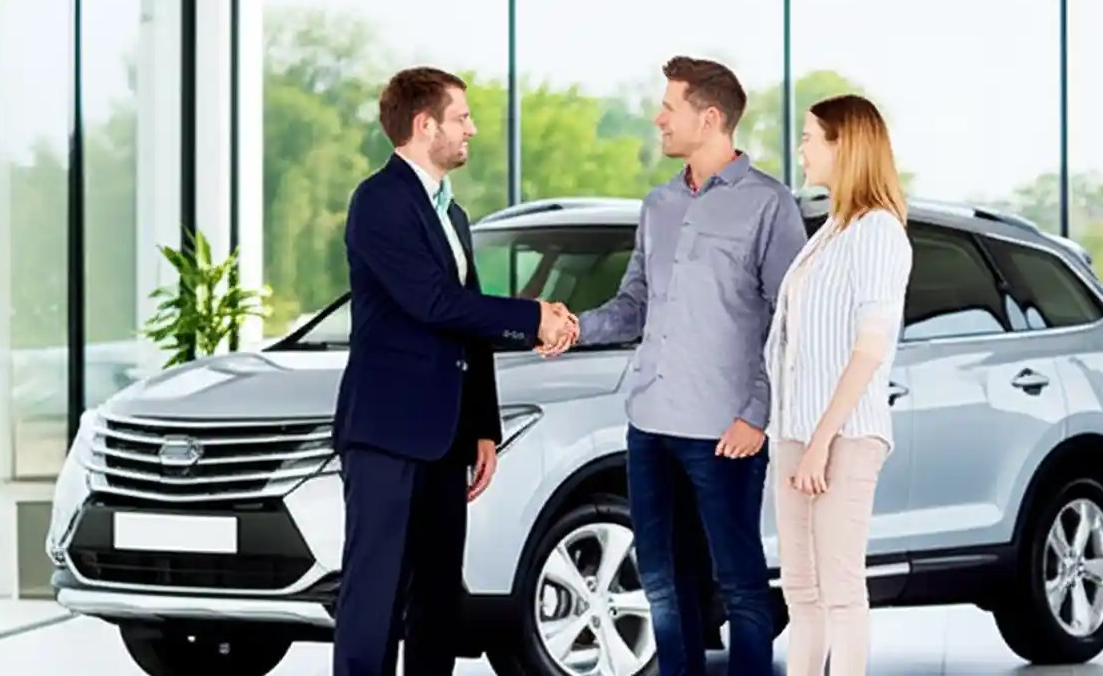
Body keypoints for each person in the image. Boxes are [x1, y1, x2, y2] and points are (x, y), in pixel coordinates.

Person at [542, 56, 808, 675]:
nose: (658, 118)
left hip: (725, 432)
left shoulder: (769, 206)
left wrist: (756, 415)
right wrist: (576, 329)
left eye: (670, 107)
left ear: (710, 117)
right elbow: (635, 304)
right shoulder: (658, 205)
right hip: (651, 424)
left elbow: (788, 323)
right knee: (662, 582)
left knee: (739, 584)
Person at [332, 66, 576, 676]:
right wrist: (535, 315)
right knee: (375, 597)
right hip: (387, 434)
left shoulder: (454, 214)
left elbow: (465, 325)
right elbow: (432, 303)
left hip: (444, 436)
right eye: (461, 117)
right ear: (424, 125)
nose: (472, 129)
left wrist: (483, 425)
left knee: (439, 597)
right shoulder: (380, 201)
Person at [765, 94, 913, 676]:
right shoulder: (828, 231)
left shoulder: (877, 232)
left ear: (843, 146)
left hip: (844, 436)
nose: (800, 148)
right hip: (796, 432)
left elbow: (870, 347)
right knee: (802, 593)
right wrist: (794, 437)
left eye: (809, 137)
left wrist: (823, 440)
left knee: (841, 588)